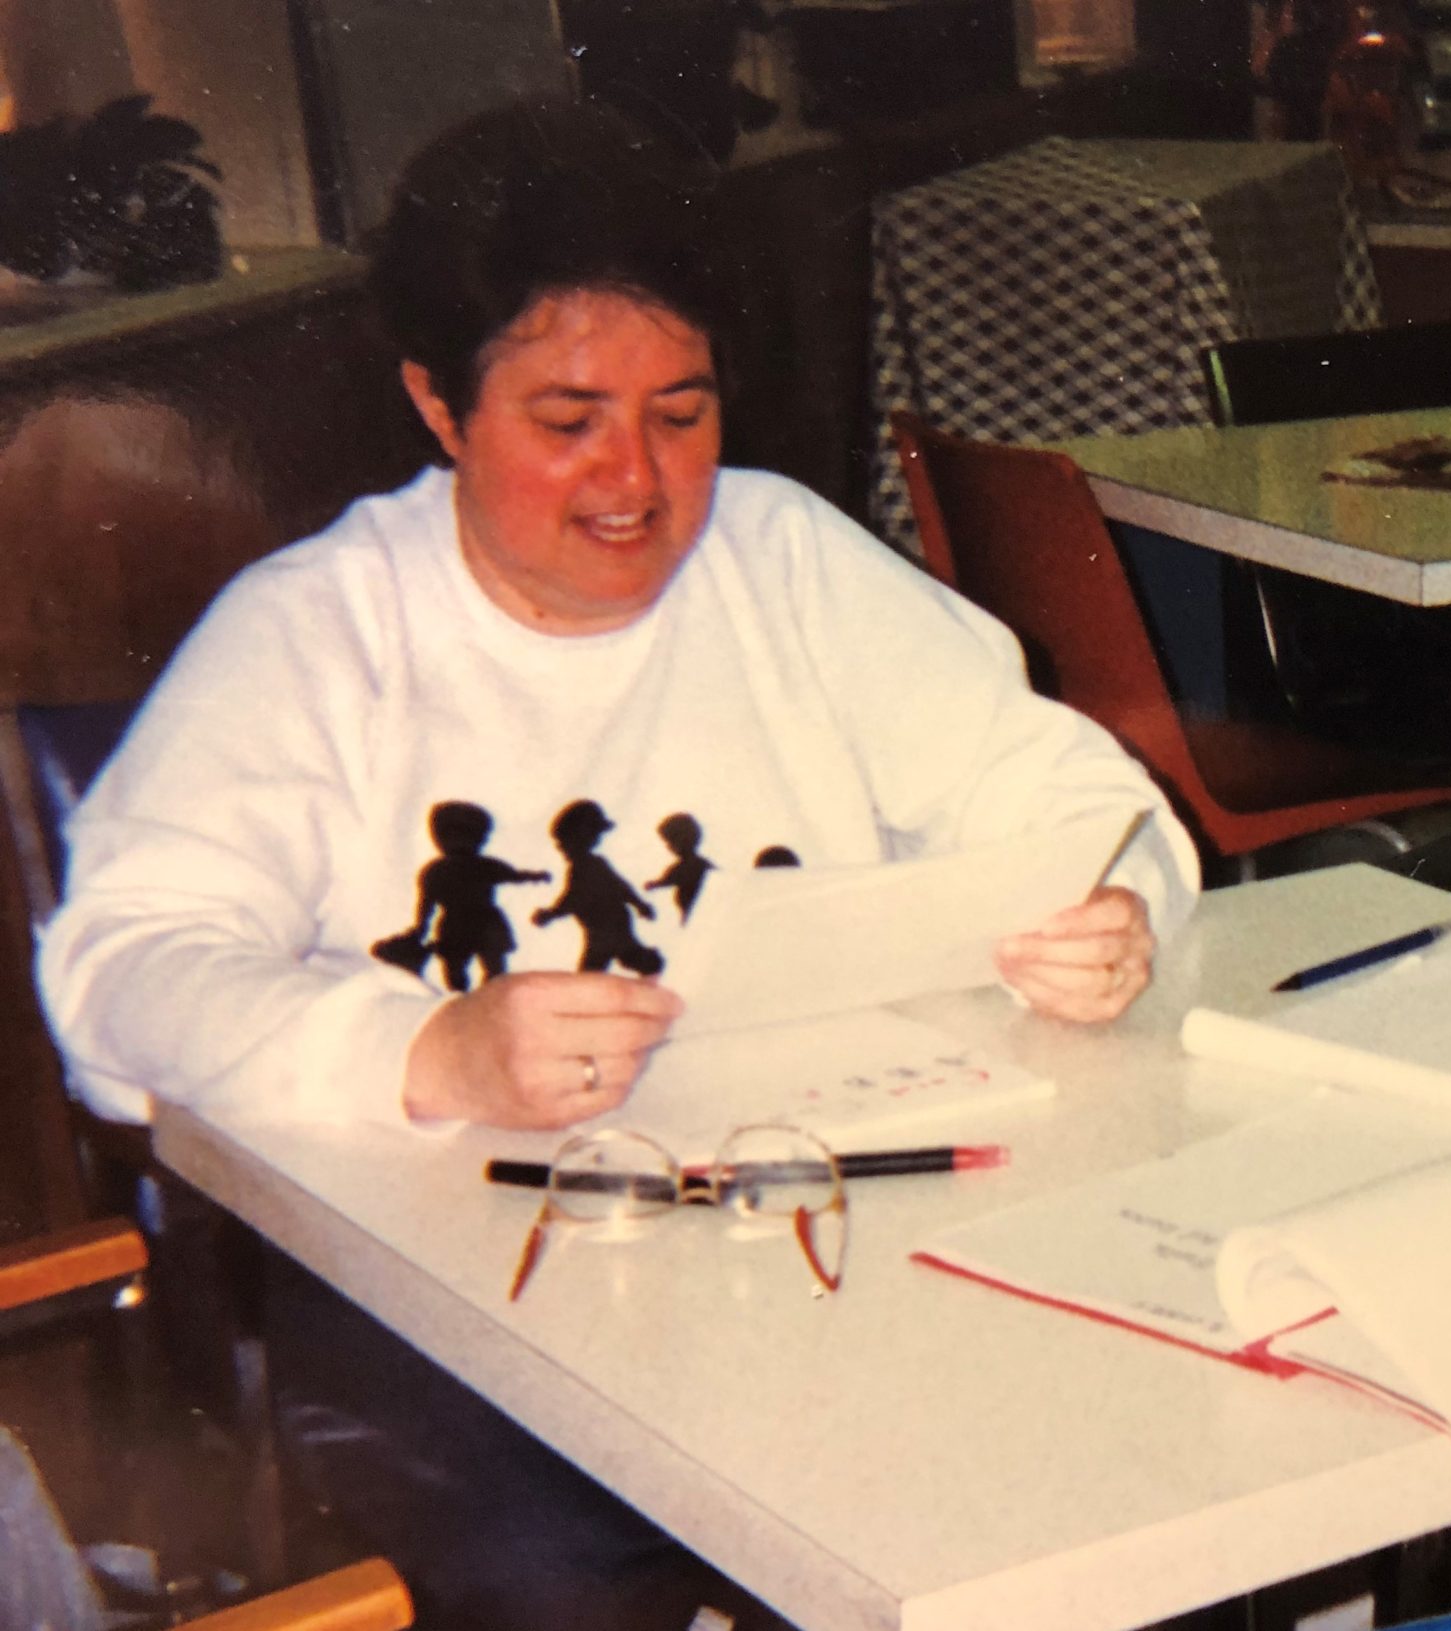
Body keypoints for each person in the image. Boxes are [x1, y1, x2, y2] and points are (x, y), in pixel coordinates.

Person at [36, 101, 1199, 1628]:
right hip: (459, 1282)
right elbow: (120, 972)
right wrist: (426, 1043)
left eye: (683, 411)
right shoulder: (318, 629)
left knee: (1091, 1476)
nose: (636, 481)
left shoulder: (782, 560)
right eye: (567, 419)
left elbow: (1066, 790)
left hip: (823, 1229)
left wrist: (1119, 911)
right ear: (441, 411)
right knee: (566, 1575)